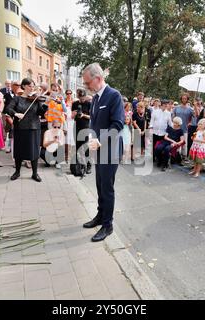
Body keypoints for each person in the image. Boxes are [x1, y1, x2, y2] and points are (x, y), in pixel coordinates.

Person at [82, 63, 125, 242]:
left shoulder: (113, 96)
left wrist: (100, 140)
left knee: (107, 188)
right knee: (100, 185)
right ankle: (100, 216)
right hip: (99, 149)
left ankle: (108, 225)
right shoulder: (96, 98)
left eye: (87, 83)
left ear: (98, 79)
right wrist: (92, 139)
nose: (86, 86)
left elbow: (118, 124)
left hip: (110, 149)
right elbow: (94, 123)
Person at [6, 78, 48, 182]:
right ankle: (17, 172)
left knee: (34, 151)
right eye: (30, 86)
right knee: (19, 151)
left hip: (34, 127)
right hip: (20, 128)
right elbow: (8, 109)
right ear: (24, 86)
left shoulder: (36, 99)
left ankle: (35, 173)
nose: (32, 88)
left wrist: (44, 105)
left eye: (33, 86)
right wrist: (16, 114)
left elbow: (40, 113)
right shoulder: (17, 99)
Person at [71, 88, 92, 174]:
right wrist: (74, 113)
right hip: (76, 126)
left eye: (83, 98)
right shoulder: (75, 104)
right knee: (78, 147)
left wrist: (83, 115)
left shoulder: (89, 104)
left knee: (86, 147)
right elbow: (72, 117)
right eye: (80, 98)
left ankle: (88, 165)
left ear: (85, 96)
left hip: (86, 127)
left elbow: (92, 117)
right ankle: (79, 166)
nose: (82, 100)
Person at [173, 93, 194, 158]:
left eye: (185, 98)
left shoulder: (190, 109)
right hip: (176, 129)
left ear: (187, 99)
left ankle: (184, 156)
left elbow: (194, 117)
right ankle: (176, 156)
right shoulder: (176, 108)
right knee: (176, 143)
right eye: (183, 98)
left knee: (184, 144)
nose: (184, 99)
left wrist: (190, 123)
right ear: (181, 99)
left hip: (185, 128)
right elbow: (173, 117)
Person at [64, 89, 75, 162]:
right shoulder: (64, 102)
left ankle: (70, 156)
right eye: (67, 93)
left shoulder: (74, 102)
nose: (69, 95)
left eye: (70, 93)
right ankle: (66, 155)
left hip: (72, 121)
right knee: (65, 139)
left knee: (71, 139)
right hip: (65, 121)